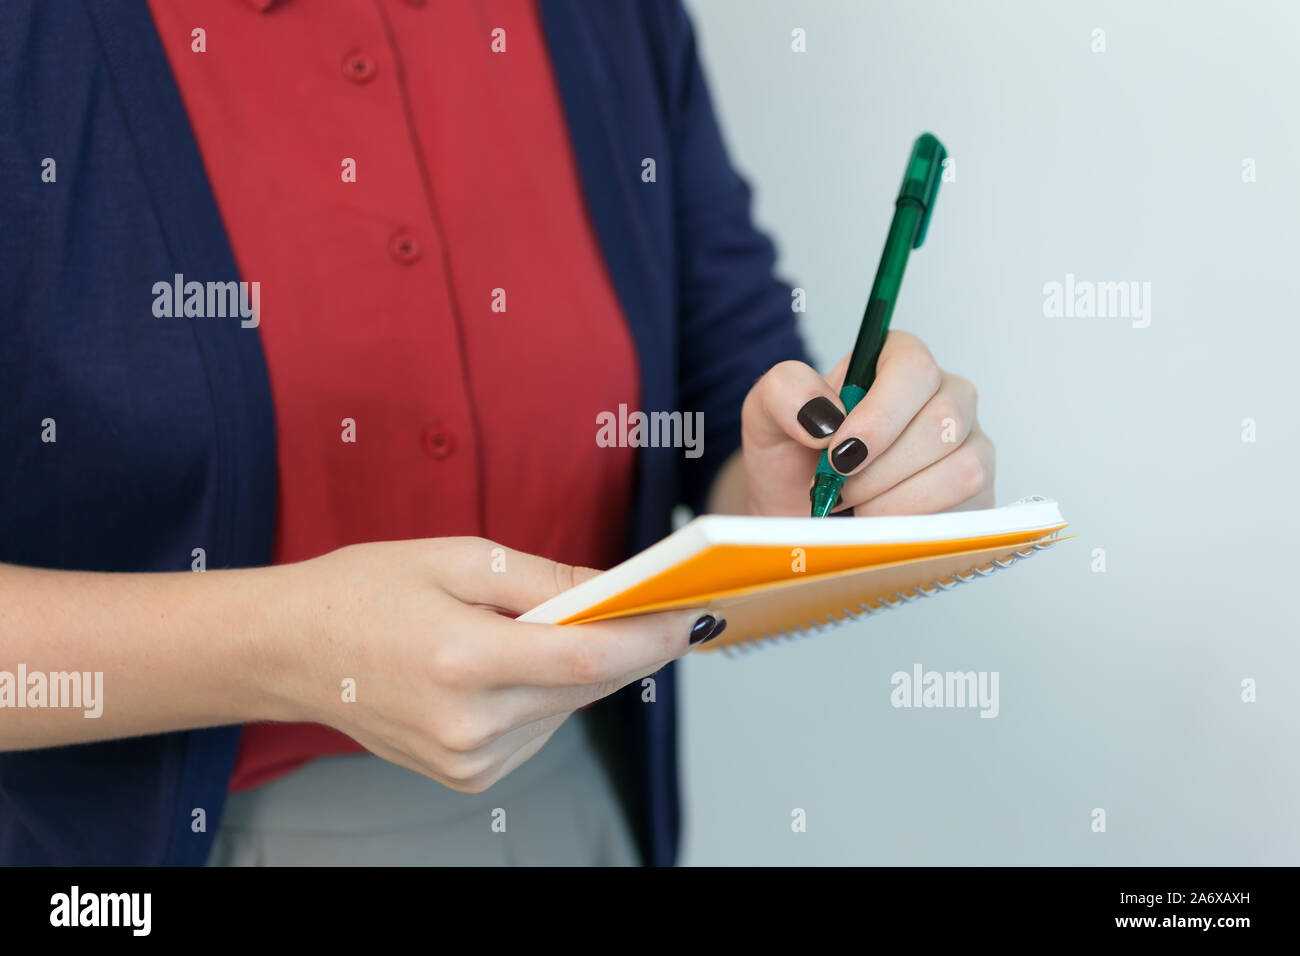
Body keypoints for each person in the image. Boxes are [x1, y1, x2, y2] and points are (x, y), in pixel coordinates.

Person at [0, 0, 994, 866]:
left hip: (573, 817)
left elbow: (734, 395)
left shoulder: (611, 17)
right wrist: (290, 647)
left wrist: (824, 504)